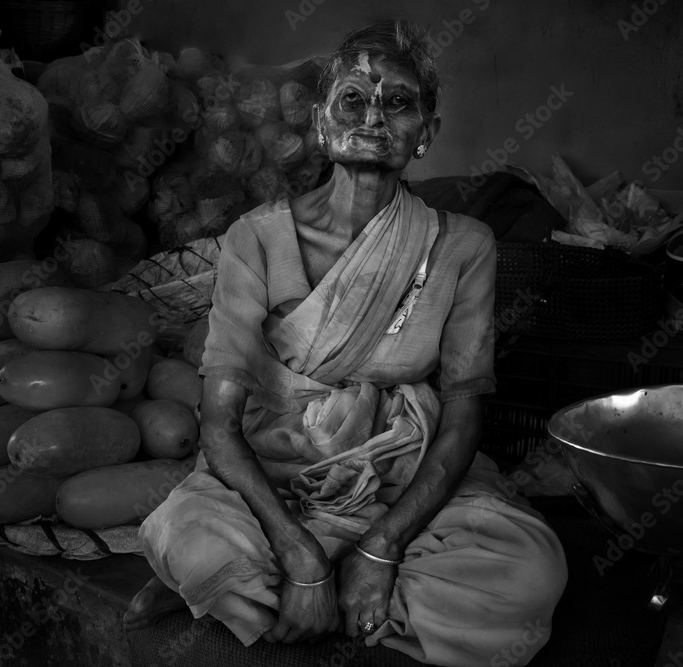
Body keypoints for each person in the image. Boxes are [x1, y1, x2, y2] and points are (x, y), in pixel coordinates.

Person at [124, 19, 568, 667]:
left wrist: (383, 542)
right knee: (185, 538)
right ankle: (339, 598)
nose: (374, 116)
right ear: (320, 122)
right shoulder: (255, 238)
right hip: (275, 479)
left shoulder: (464, 245)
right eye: (353, 98)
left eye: (398, 101)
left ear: (428, 132)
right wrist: (299, 551)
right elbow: (217, 428)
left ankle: (296, 599)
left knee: (530, 575)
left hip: (402, 478)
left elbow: (465, 411)